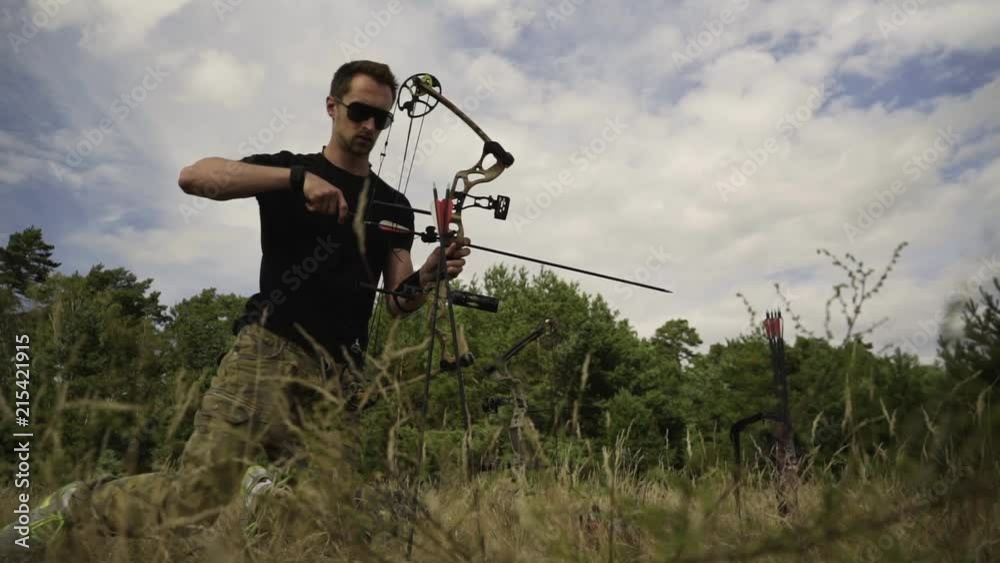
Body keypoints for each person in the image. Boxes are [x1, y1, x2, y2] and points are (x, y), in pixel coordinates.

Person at [0, 59, 471, 559]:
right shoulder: (290, 170)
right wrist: (295, 180)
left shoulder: (394, 206)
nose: (370, 127)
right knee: (195, 500)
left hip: (338, 378)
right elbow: (195, 177)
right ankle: (73, 505)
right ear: (332, 106)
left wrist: (430, 273)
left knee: (335, 516)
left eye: (382, 118)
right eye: (359, 112)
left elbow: (400, 302)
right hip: (268, 353)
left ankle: (260, 490)